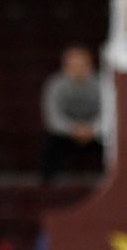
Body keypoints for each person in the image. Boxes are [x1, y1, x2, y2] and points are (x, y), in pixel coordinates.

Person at [39, 45, 104, 182]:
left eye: (82, 65)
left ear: (90, 65)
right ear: (65, 66)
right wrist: (73, 129)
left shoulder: (102, 85)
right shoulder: (55, 85)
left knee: (114, 142)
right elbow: (53, 117)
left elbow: (108, 115)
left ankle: (110, 182)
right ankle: (46, 184)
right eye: (73, 65)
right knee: (50, 143)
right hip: (66, 133)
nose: (78, 69)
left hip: (94, 133)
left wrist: (92, 129)